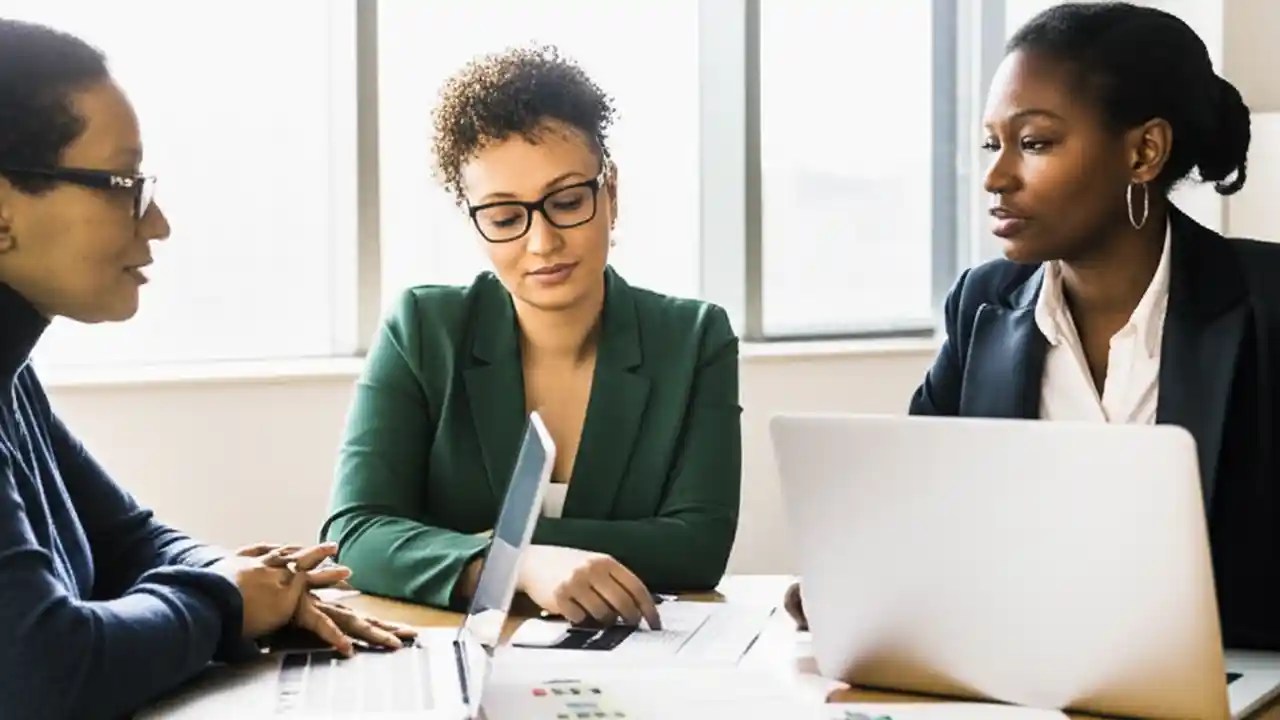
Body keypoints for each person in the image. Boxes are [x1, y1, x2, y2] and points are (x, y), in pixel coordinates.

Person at [787, 1, 1280, 651]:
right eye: (992, 143)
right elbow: (924, 516)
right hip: (1023, 679)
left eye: (1035, 142)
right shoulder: (982, 305)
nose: (995, 177)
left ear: (1144, 151)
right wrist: (859, 582)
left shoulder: (1265, 302)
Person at [0, 19, 413, 719]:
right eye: (122, 183)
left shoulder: (14, 378)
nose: (155, 221)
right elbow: (43, 671)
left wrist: (259, 584)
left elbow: (129, 539)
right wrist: (225, 601)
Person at [323, 45, 742, 629]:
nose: (542, 242)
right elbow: (356, 531)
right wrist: (518, 566)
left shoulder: (694, 338)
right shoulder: (421, 330)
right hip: (454, 653)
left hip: (632, 660)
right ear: (474, 219)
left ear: (610, 194)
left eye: (567, 202)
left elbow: (697, 547)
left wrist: (489, 544)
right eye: (503, 217)